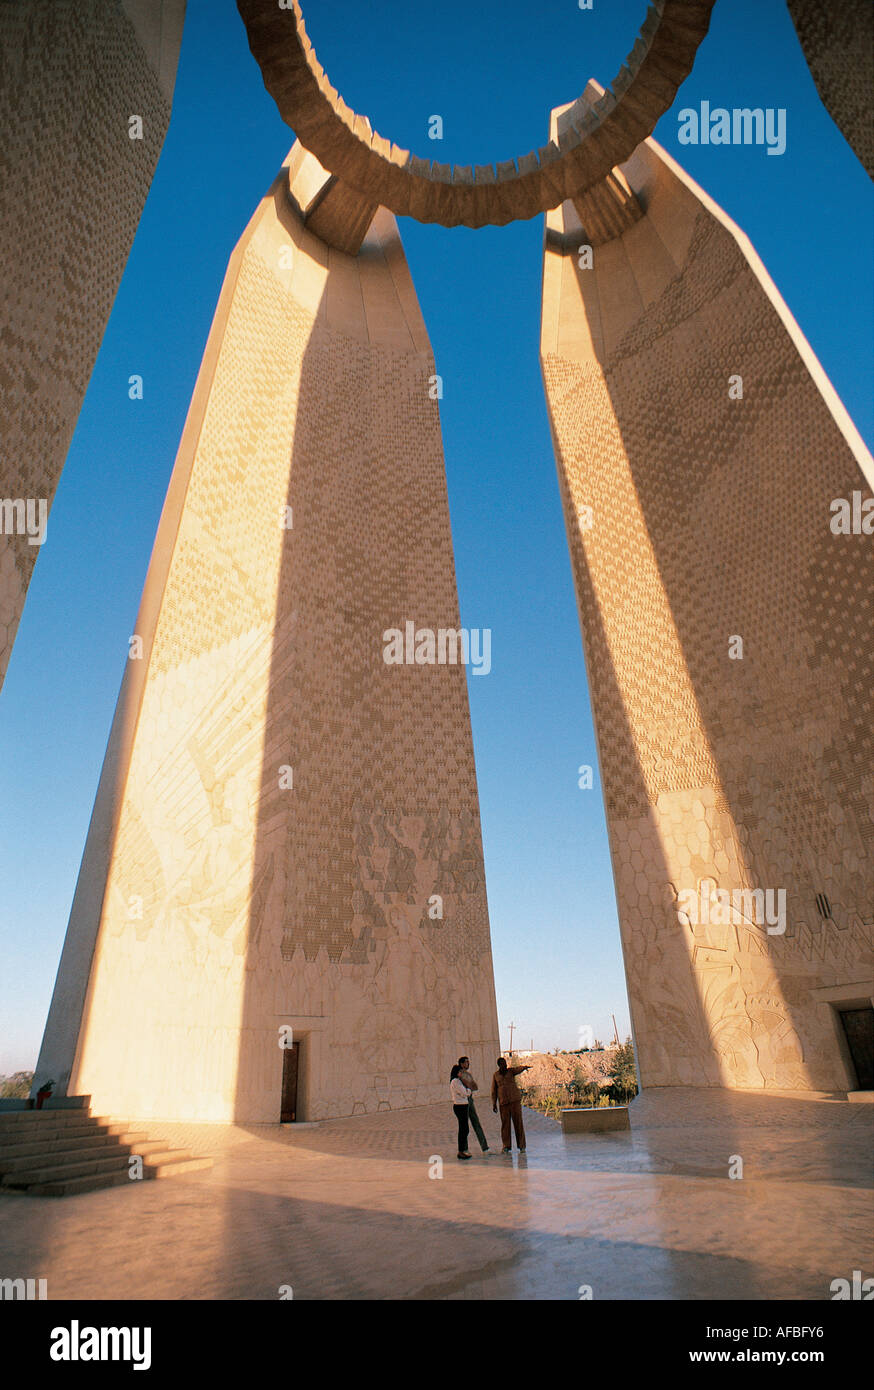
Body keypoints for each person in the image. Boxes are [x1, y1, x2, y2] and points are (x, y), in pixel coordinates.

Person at [491, 1056, 530, 1153]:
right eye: (502, 1064)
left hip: (514, 1101)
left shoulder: (510, 1072)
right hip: (503, 1103)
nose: (505, 1065)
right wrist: (494, 1103)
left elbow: (518, 1069)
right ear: (499, 1065)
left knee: (518, 1123)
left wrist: (524, 1067)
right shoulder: (496, 1075)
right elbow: (493, 1090)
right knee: (505, 1125)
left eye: (505, 1063)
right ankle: (506, 1146)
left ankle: (522, 1146)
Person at [457, 1055, 490, 1154]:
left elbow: (474, 1086)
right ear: (462, 1064)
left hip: (469, 1100)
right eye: (466, 1062)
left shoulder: (467, 1074)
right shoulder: (459, 1075)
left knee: (476, 1123)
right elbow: (467, 1086)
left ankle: (485, 1147)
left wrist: (469, 1085)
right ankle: (465, 1149)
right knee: (464, 1126)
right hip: (463, 1101)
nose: (468, 1063)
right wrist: (469, 1085)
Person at [450, 1064, 472, 1159]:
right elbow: (465, 1093)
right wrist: (468, 1090)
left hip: (463, 1106)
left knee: (464, 1129)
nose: (461, 1074)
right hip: (460, 1106)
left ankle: (462, 1150)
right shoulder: (455, 1082)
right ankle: (461, 1151)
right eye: (460, 1072)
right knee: (463, 1129)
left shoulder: (458, 1081)